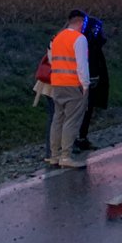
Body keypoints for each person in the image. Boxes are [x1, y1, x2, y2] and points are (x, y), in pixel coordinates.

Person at [47, 9, 91, 168]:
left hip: (57, 84)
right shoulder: (79, 39)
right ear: (81, 22)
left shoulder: (57, 38)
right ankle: (66, 156)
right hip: (74, 85)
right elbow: (82, 65)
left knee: (57, 119)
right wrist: (85, 85)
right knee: (71, 121)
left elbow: (52, 61)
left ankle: (54, 155)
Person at [75, 15, 109, 152]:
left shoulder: (91, 43)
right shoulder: (87, 43)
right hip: (84, 81)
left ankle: (81, 138)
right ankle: (77, 140)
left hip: (89, 80)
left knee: (87, 111)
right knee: (82, 111)